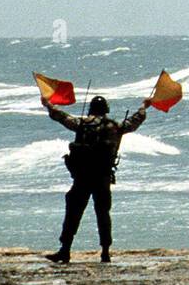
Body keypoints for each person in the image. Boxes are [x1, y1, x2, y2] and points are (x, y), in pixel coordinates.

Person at [42, 93, 150, 263]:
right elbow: (134, 122)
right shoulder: (114, 126)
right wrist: (144, 106)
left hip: (83, 176)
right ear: (106, 110)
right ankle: (105, 252)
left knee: (73, 212)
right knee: (103, 213)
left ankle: (65, 250)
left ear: (91, 109)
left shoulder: (82, 124)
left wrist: (48, 105)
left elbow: (63, 117)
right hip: (102, 176)